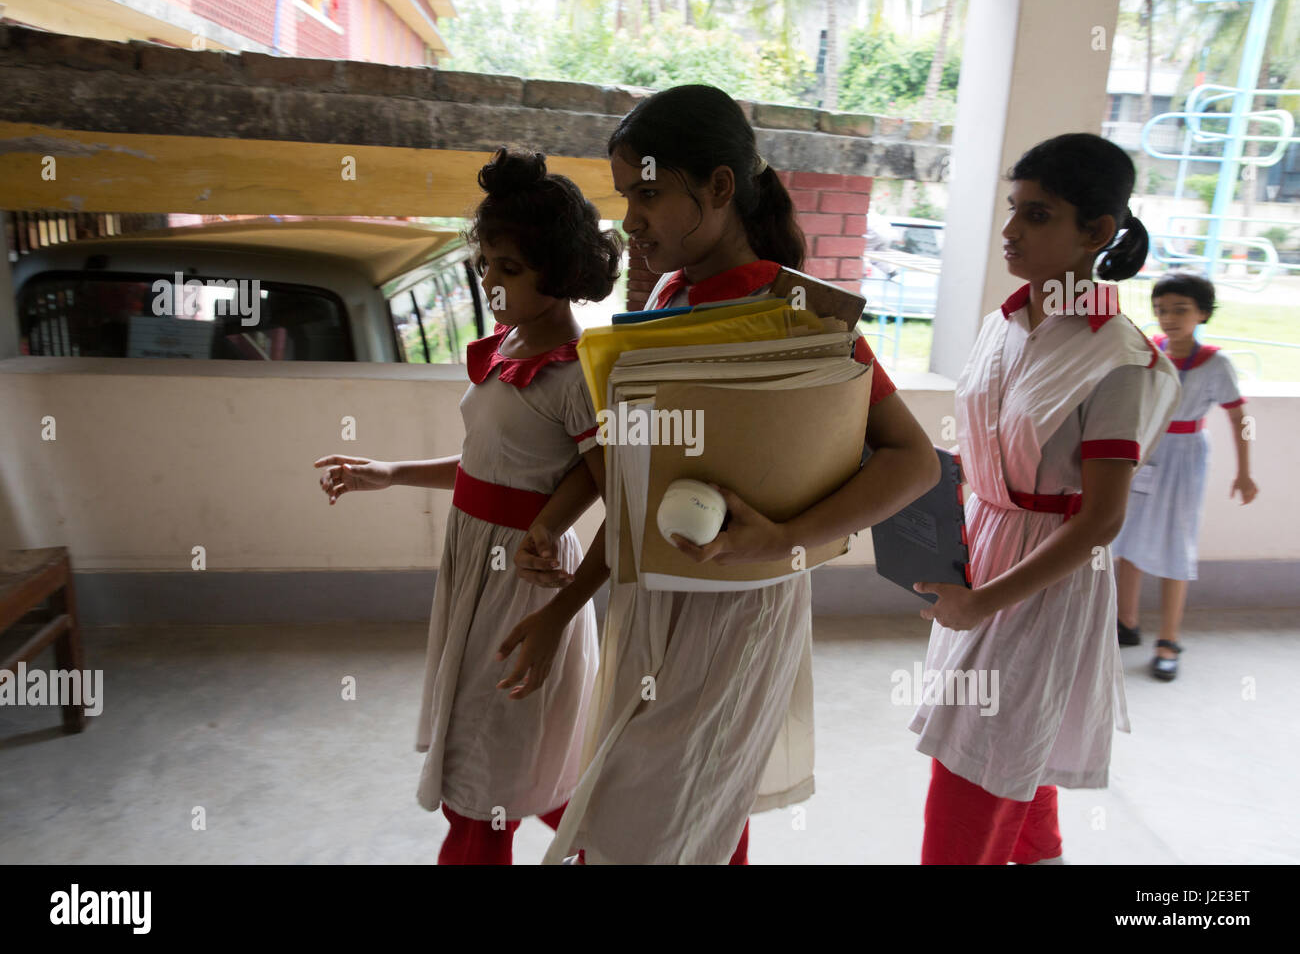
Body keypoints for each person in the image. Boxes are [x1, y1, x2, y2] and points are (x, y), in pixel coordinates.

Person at [518, 84, 941, 864]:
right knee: (683, 811)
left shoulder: (796, 317)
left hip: (735, 612)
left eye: (648, 193)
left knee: (659, 826)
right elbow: (640, 485)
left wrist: (784, 539)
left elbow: (913, 461)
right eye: (626, 197)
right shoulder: (671, 294)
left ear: (718, 188)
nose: (631, 218)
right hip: (652, 601)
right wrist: (566, 598)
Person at [313, 145, 619, 863]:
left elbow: (620, 496)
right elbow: (489, 472)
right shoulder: (509, 345)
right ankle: (603, 843)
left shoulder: (576, 376)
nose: (491, 282)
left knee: (483, 774)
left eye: (509, 269)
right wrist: (388, 473)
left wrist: (560, 604)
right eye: (485, 264)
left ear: (562, 271)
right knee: (510, 760)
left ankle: (600, 841)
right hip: (474, 572)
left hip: (521, 589)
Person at [909, 133, 1182, 865]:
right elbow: (979, 455)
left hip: (1043, 581)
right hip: (981, 553)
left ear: (1096, 232)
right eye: (1012, 210)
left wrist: (983, 600)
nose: (1010, 231)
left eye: (1037, 215)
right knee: (1015, 762)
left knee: (977, 769)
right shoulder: (1005, 326)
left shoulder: (1118, 359)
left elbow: (1101, 519)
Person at [1113, 272, 1258, 680]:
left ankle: (1169, 638)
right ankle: (1126, 623)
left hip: (1186, 456)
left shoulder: (1216, 363)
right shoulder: (1149, 350)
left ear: (1203, 314)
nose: (1168, 318)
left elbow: (1238, 418)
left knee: (1176, 543)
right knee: (1127, 537)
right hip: (1146, 452)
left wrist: (1245, 473)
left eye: (1180, 309)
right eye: (1161, 310)